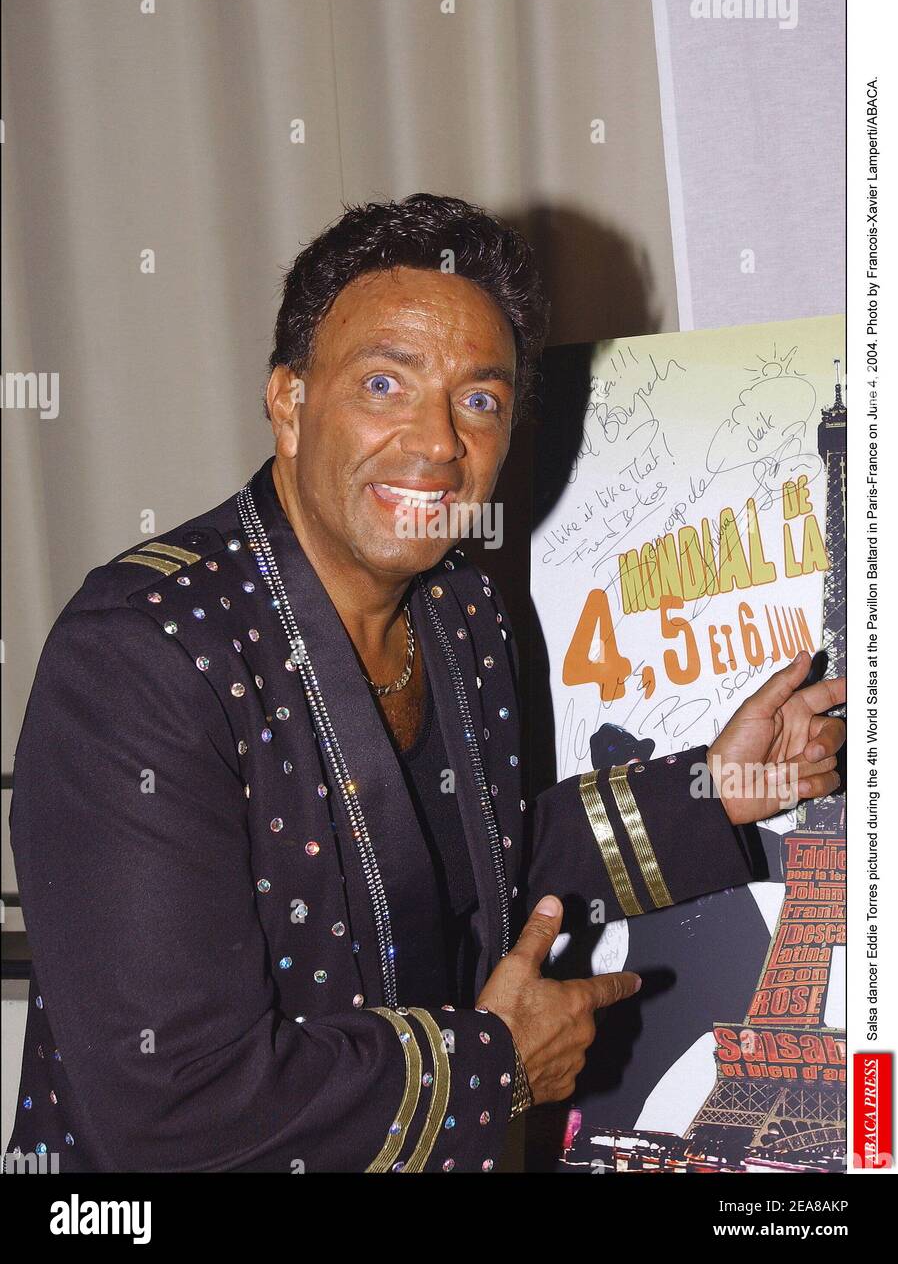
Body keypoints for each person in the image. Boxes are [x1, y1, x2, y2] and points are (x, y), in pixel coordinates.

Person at [4, 194, 845, 1174]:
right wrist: (493, 1068)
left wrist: (713, 786)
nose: (439, 440)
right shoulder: (144, 654)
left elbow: (481, 874)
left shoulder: (463, 614)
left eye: (478, 400)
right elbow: (168, 1110)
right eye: (383, 384)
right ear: (289, 400)